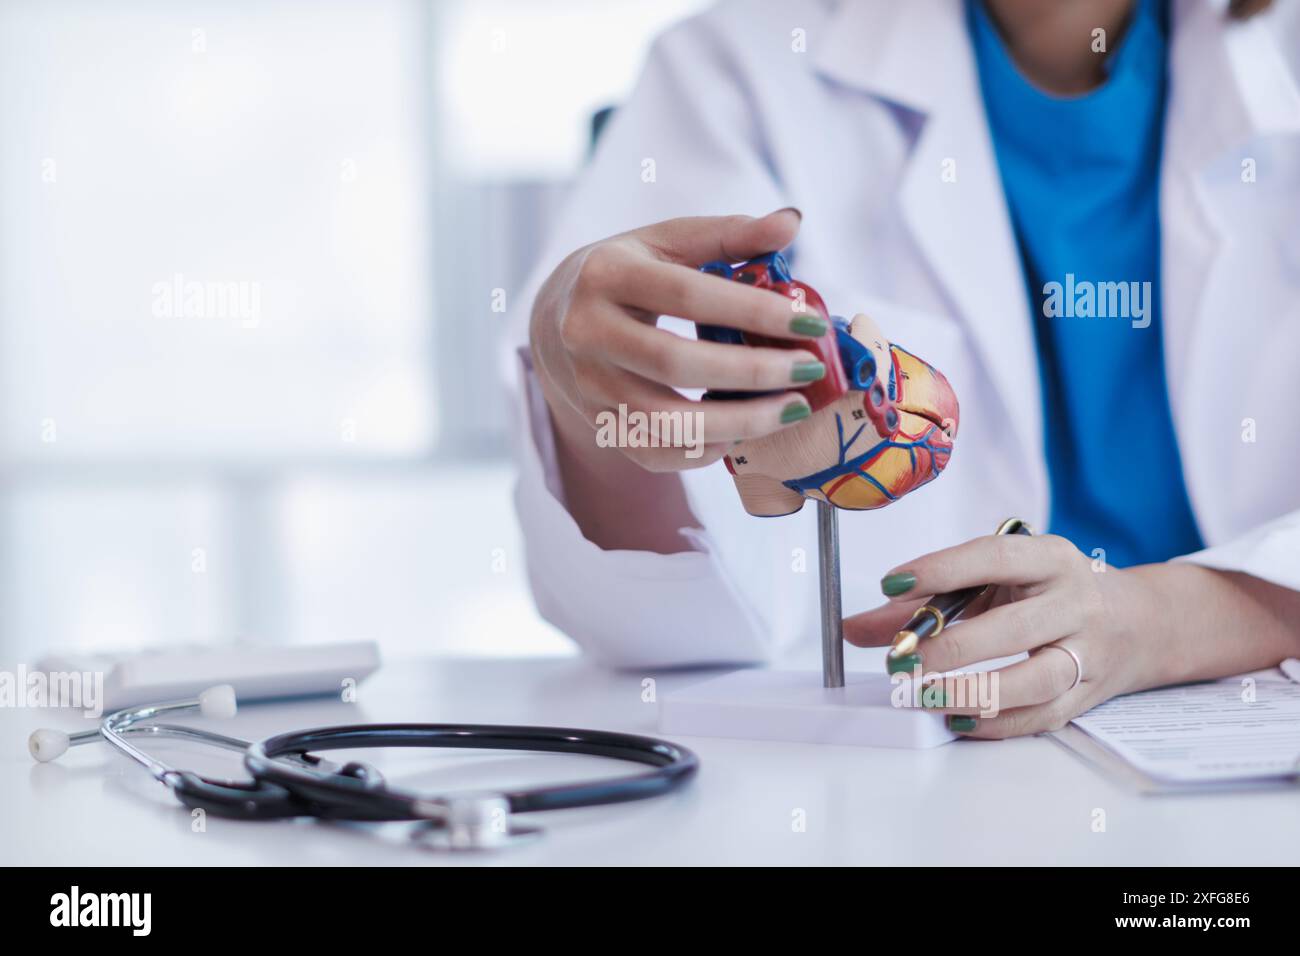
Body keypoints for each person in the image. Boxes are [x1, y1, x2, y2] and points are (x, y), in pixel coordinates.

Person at [511, 0, 1300, 738]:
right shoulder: (737, 67)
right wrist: (592, 409)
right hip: (909, 769)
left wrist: (1169, 622)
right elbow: (655, 622)